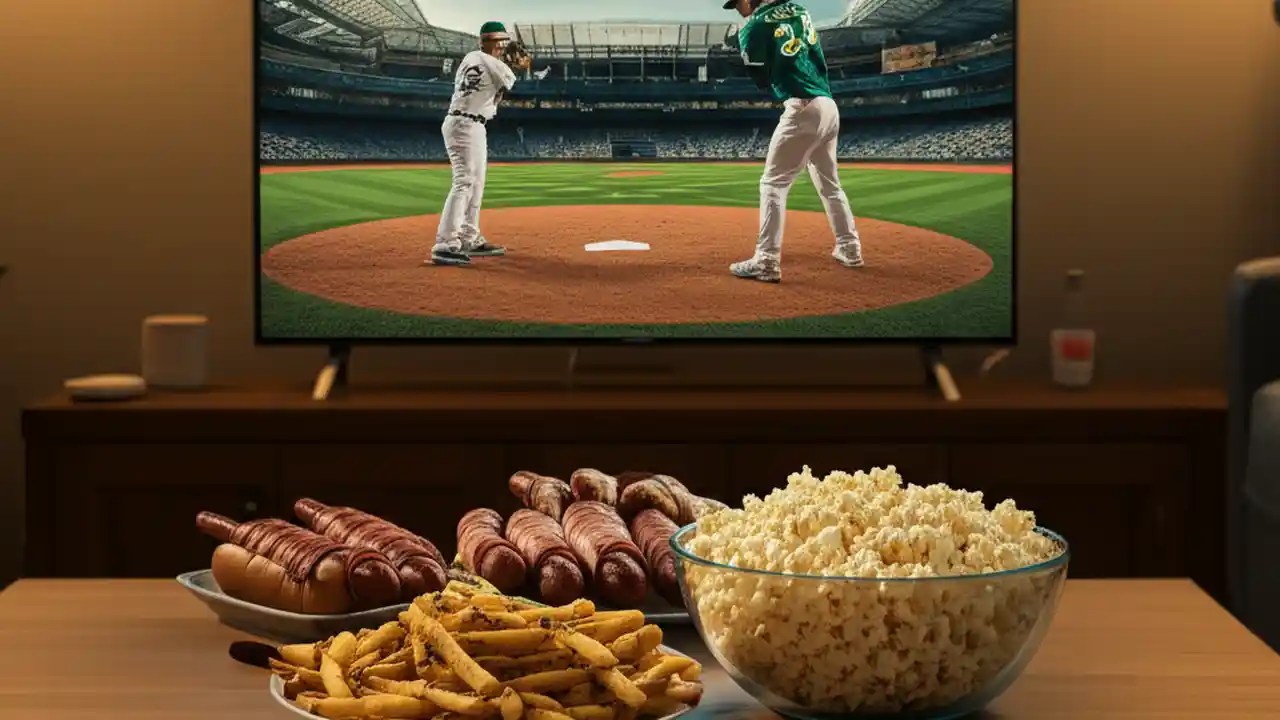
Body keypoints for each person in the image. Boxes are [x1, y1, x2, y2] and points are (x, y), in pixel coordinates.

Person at [723, 0, 864, 283]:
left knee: (772, 184)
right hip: (828, 104)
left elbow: (761, 79)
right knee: (830, 186)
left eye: (738, 2)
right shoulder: (800, 10)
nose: (738, 9)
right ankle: (850, 249)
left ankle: (766, 260)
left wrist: (745, 44)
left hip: (801, 106)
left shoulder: (754, 25)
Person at [429, 21, 531, 267]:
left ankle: (469, 238)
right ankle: (445, 243)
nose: (503, 48)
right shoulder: (491, 62)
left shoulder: (471, 58)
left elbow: (496, 88)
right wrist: (517, 65)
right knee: (464, 182)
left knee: (476, 185)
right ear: (487, 42)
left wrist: (509, 63)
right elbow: (512, 80)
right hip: (465, 124)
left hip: (470, 124)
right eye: (499, 43)